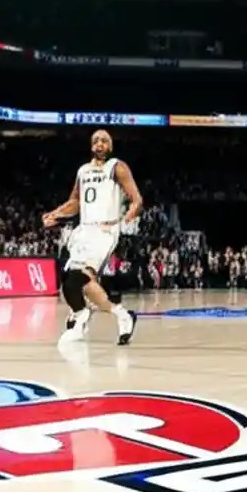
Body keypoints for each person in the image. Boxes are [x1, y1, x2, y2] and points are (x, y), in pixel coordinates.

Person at [43, 130, 143, 346]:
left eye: (104, 141)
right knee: (72, 281)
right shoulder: (83, 171)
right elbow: (75, 202)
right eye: (96, 141)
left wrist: (125, 220)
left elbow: (136, 200)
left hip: (105, 230)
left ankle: (80, 319)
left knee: (79, 276)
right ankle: (122, 315)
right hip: (84, 230)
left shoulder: (117, 167)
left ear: (110, 146)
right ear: (91, 146)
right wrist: (56, 214)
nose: (100, 144)